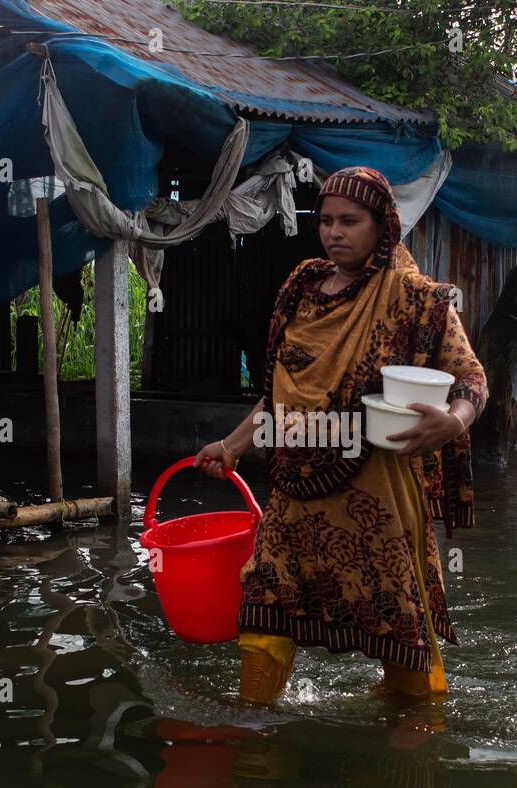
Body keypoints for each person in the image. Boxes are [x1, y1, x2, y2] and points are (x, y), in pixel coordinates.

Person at [196, 166, 487, 706]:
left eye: (350, 221)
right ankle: (255, 729)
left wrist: (454, 420)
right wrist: (234, 445)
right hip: (295, 494)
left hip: (377, 495)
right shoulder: (301, 288)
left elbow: (471, 378)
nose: (334, 232)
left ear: (382, 227)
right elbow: (282, 391)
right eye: (326, 220)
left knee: (400, 630)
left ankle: (416, 748)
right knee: (264, 610)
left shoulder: (413, 298)